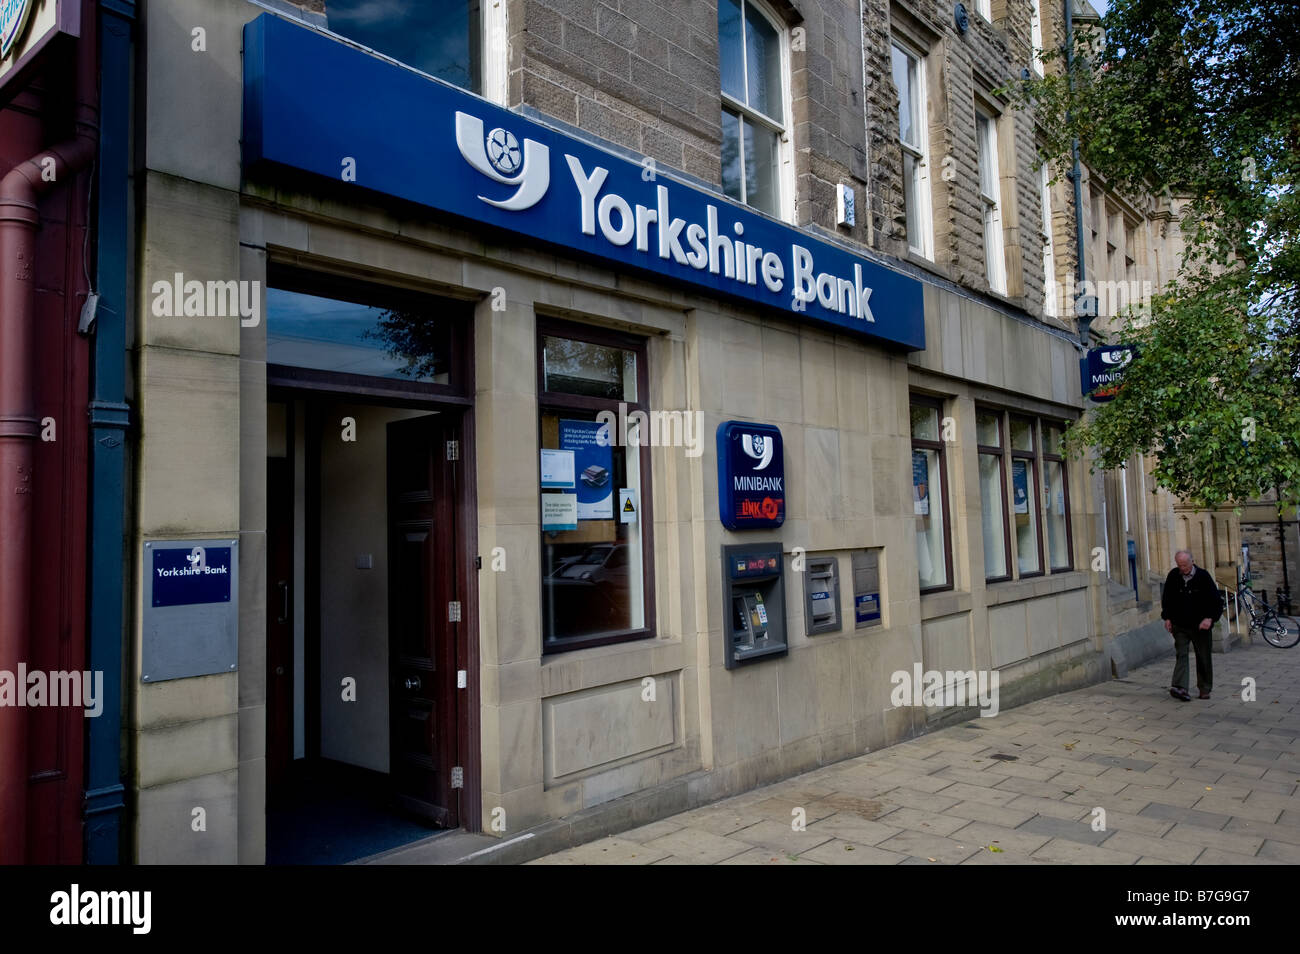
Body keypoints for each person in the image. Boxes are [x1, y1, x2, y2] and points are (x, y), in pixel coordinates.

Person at [1160, 550, 1223, 701]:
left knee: (1203, 657)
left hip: (1200, 625)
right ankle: (1180, 687)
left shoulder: (1203, 576)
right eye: (1179, 565)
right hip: (1179, 624)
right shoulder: (1173, 576)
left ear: (1192, 562)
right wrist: (1167, 618)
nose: (1182, 568)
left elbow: (1216, 602)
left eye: (1185, 565)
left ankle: (1205, 688)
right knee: (1181, 654)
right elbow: (1167, 599)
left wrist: (1210, 618)